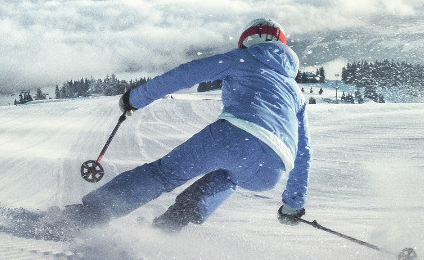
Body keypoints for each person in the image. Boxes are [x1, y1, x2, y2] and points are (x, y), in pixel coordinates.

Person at [70, 18, 311, 232]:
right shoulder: (296, 93)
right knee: (227, 176)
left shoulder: (242, 59)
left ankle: (87, 216)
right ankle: (171, 223)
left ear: (247, 40)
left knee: (163, 174)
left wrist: (134, 99)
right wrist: (293, 204)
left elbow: (187, 74)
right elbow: (303, 152)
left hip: (234, 135)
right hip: (271, 169)